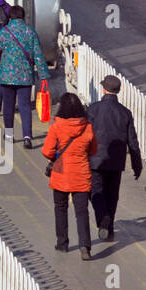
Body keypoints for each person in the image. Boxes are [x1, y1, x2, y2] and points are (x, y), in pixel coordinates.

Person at [0, 5, 49, 148]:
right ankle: (27, 136)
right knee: (25, 106)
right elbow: (38, 56)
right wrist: (43, 75)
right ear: (23, 16)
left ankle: (9, 135)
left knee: (8, 106)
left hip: (6, 77)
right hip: (25, 77)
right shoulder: (31, 32)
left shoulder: (5, 32)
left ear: (10, 17)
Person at [88, 75, 143, 241]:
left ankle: (103, 219)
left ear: (104, 89)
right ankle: (109, 225)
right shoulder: (125, 113)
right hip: (116, 162)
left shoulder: (93, 109)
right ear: (118, 91)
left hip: (96, 159)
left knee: (96, 191)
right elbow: (132, 141)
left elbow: (85, 135)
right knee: (112, 194)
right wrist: (137, 164)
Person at [42, 92, 97, 259]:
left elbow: (47, 151)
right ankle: (85, 246)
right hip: (81, 173)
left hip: (60, 173)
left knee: (60, 208)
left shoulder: (56, 127)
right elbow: (93, 150)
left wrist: (56, 157)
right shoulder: (87, 127)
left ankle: (62, 243)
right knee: (82, 211)